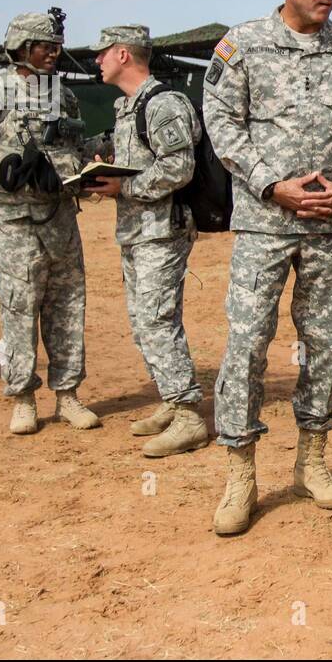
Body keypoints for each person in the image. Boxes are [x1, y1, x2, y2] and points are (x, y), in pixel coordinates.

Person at [202, 0, 332, 536]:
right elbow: (221, 124)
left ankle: (313, 460)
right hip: (264, 222)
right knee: (248, 343)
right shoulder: (243, 45)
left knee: (326, 342)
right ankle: (241, 472)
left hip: (331, 222)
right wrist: (267, 182)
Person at [0, 10, 100, 435]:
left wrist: (91, 165)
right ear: (21, 49)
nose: (54, 52)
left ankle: (68, 395)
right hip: (15, 222)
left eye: (56, 45)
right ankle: (23, 398)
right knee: (18, 309)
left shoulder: (63, 95)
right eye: (45, 45)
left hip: (61, 218)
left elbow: (76, 148)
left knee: (68, 307)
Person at [87, 24, 208, 458]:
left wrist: (125, 188)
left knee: (158, 321)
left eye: (102, 53)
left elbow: (179, 168)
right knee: (143, 323)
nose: (96, 60)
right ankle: (172, 402)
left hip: (162, 231)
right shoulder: (128, 107)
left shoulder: (163, 104)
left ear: (123, 54)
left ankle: (190, 416)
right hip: (137, 233)